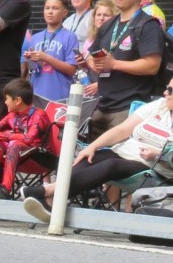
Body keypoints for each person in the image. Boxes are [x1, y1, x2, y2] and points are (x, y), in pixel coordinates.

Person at [21, 83, 173, 221]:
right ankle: (50, 201)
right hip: (123, 152)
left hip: (153, 167)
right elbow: (122, 129)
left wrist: (158, 153)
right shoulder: (159, 105)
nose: (165, 92)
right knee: (89, 158)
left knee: (111, 165)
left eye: (170, 90)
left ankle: (47, 190)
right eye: (166, 87)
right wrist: (91, 147)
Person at [84, 0, 165, 137]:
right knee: (91, 157)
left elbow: (152, 65)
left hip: (129, 107)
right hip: (103, 104)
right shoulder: (108, 25)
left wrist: (113, 64)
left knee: (113, 159)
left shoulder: (148, 25)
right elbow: (92, 54)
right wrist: (95, 63)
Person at [0, 78, 50, 198]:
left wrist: (6, 135)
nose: (5, 102)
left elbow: (29, 139)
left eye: (7, 98)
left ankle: (5, 189)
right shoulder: (12, 115)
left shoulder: (39, 115)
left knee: (14, 143)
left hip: (37, 157)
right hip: (18, 154)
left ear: (17, 100)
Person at [24, 0, 80, 102]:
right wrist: (30, 59)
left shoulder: (70, 37)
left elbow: (72, 70)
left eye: (55, 8)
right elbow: (32, 69)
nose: (50, 12)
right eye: (47, 8)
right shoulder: (35, 38)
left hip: (60, 97)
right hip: (37, 95)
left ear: (64, 12)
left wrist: (46, 58)